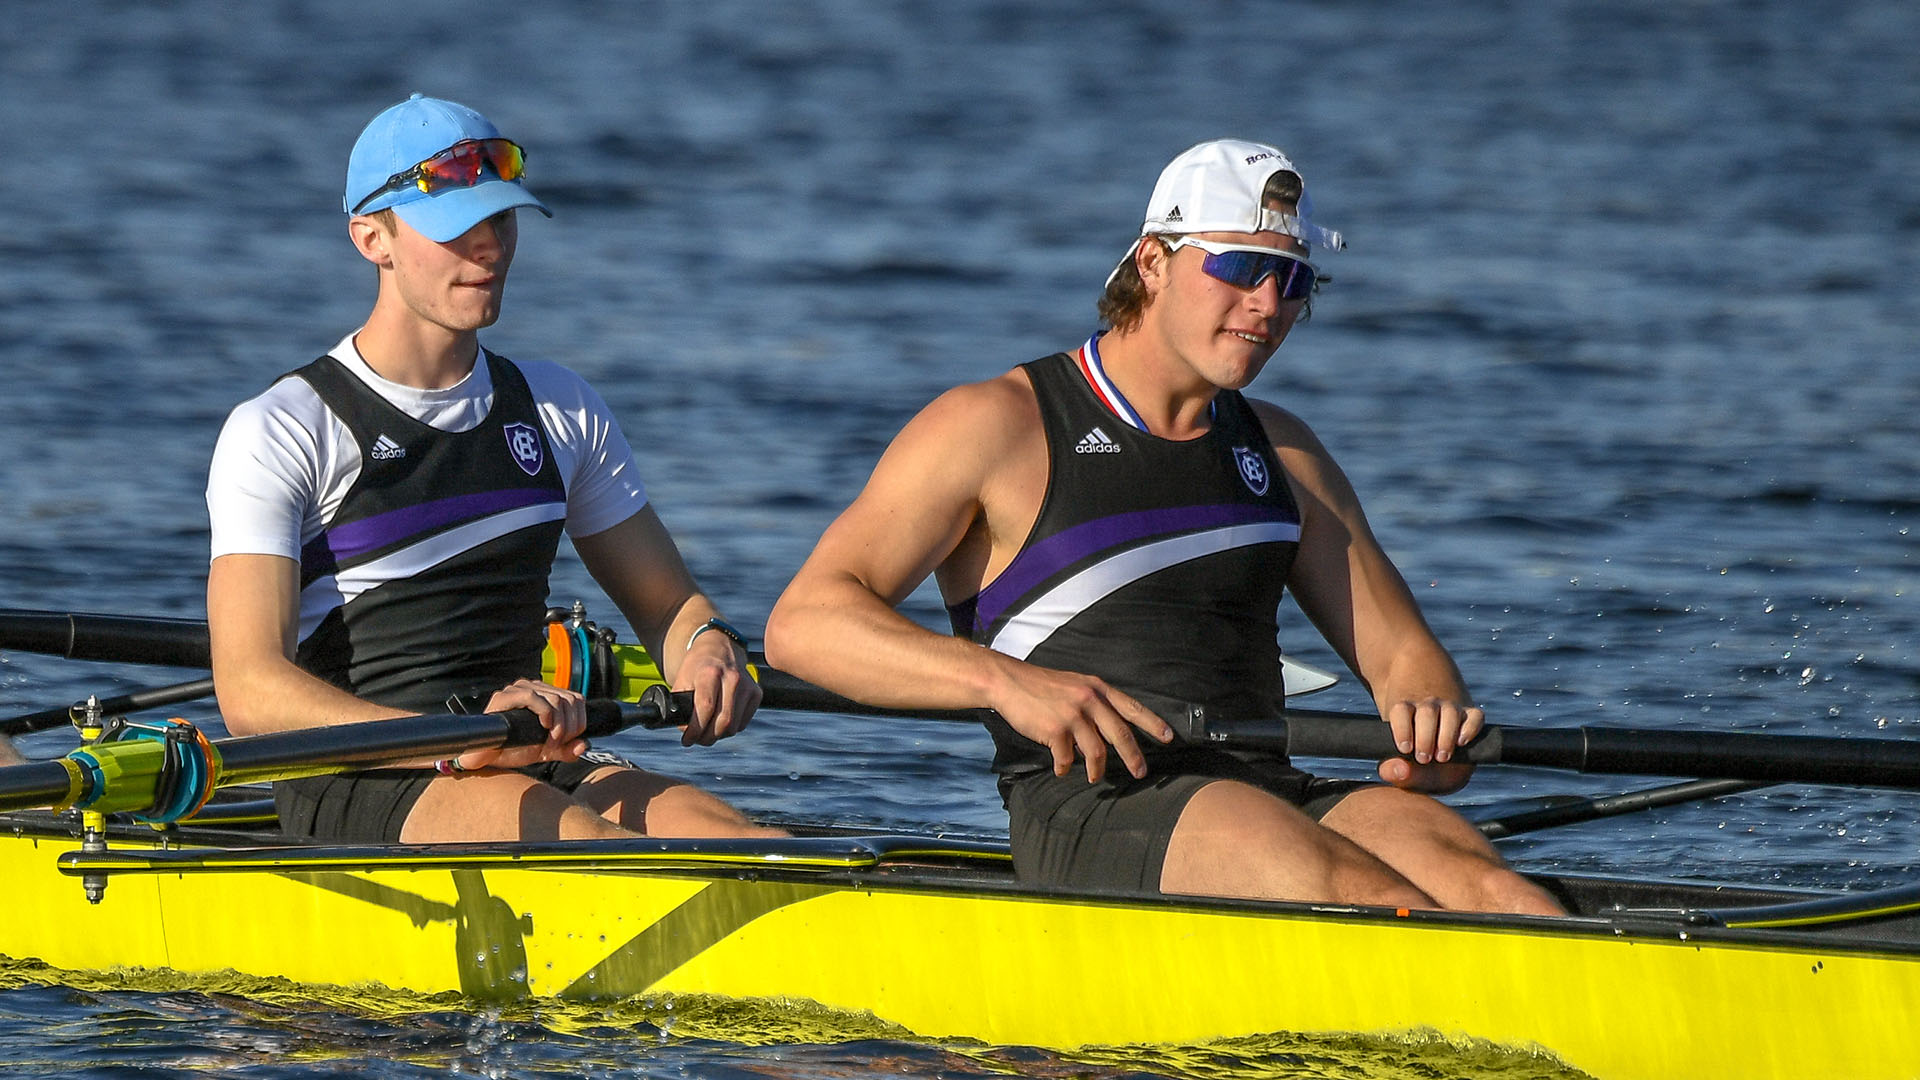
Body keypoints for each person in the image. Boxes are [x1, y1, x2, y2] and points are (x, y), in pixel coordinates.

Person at [765, 139, 1560, 913]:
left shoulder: (1285, 454)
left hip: (1269, 787)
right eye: (1243, 269)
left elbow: (1405, 659)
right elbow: (805, 625)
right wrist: (1001, 683)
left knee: (1500, 896)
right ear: (1152, 262)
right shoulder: (996, 426)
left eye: (1292, 280)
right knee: (1369, 901)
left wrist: (1433, 720)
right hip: (1095, 803)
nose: (1269, 304)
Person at [206, 94, 779, 845]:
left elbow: (670, 605)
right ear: (371, 238)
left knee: (740, 841)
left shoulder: (559, 408)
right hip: (357, 774)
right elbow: (249, 690)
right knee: (592, 848)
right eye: (457, 228)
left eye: (501, 219)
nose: (490, 248)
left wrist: (706, 645)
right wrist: (455, 742)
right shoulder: (284, 428)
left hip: (525, 750)